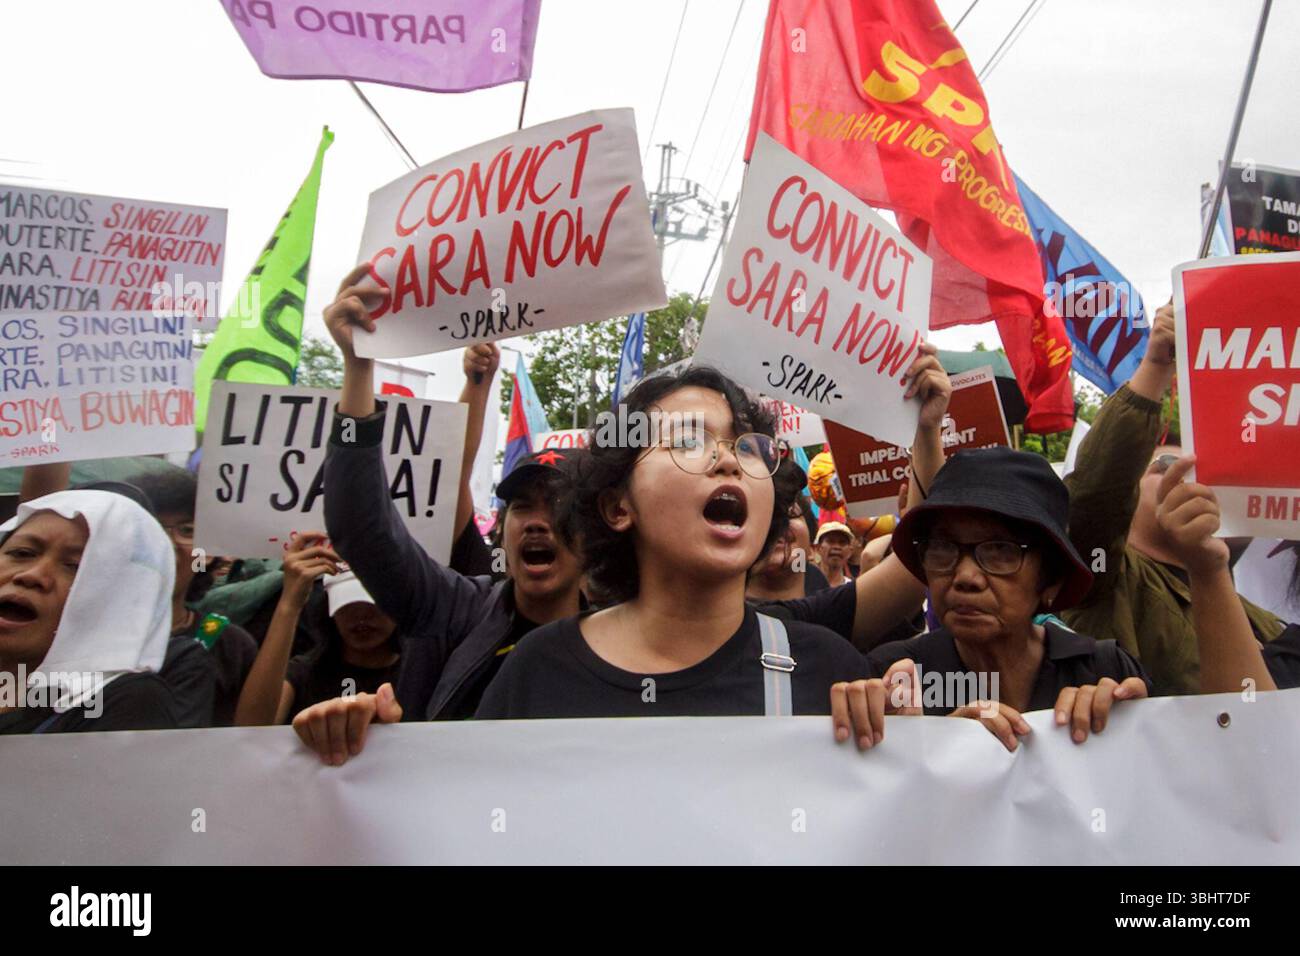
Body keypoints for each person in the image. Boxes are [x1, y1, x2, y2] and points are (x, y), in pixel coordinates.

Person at [472, 365, 899, 738]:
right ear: (619, 506)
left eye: (748, 447)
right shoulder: (539, 670)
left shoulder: (827, 670)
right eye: (690, 441)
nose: (728, 461)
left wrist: (917, 743)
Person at [291, 266, 586, 750]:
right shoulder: (453, 609)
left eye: (558, 507)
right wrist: (358, 367)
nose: (537, 522)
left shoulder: (631, 629)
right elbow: (360, 527)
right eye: (520, 506)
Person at [1063, 302, 1284, 694]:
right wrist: (1156, 366)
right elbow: (1096, 493)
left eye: (1207, 473)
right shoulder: (1107, 582)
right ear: (1126, 502)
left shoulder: (1268, 624)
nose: (1194, 481)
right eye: (1165, 465)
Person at [868, 447, 1151, 752]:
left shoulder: (1104, 670)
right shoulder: (896, 681)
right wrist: (929, 751)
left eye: (1001, 550)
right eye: (942, 547)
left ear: (1051, 580)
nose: (965, 576)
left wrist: (1137, 726)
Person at [0, 490, 178, 733]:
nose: (32, 576)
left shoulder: (128, 703)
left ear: (119, 600)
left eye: (76, 567)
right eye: (22, 553)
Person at [1154, 455, 1299, 692]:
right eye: (1163, 466)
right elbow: (1247, 719)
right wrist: (1207, 570)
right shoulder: (1285, 664)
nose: (1187, 484)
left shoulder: (1266, 622)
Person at [130, 467, 259, 727]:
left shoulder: (231, 645)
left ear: (207, 553)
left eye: (187, 531)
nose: (167, 543)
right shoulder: (81, 634)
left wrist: (289, 603)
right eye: (152, 525)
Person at [236, 533, 402, 724]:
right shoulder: (304, 673)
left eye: (373, 605)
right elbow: (251, 729)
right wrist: (289, 605)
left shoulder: (422, 673)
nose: (361, 617)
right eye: (348, 606)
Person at [745, 464, 827, 602]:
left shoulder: (832, 611)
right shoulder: (716, 619)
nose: (778, 525)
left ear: (812, 551)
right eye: (767, 516)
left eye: (791, 514)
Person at [814, 521, 855, 587]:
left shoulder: (853, 590)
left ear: (850, 551)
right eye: (830, 541)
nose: (837, 547)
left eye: (842, 542)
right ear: (818, 548)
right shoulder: (805, 586)